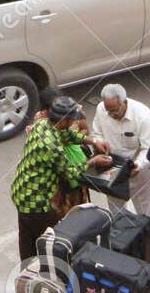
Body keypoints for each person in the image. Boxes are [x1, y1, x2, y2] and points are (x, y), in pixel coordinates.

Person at [11, 96, 106, 261]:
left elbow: (67, 135)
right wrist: (93, 161)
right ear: (63, 120)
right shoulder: (51, 146)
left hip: (20, 192)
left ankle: (25, 271)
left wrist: (92, 141)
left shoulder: (42, 124)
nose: (73, 123)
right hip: (37, 202)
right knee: (54, 242)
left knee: (26, 237)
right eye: (71, 120)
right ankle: (53, 274)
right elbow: (71, 172)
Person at [88, 84, 150, 216]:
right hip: (113, 172)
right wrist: (99, 143)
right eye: (108, 111)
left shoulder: (143, 116)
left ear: (124, 102)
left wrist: (138, 165)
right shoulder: (101, 109)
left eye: (115, 111)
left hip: (139, 174)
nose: (111, 115)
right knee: (116, 213)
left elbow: (147, 148)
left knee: (146, 214)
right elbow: (97, 134)